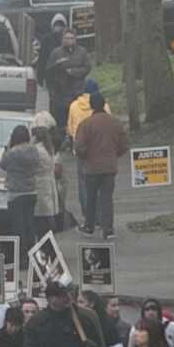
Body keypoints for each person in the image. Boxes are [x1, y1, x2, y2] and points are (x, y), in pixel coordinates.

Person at [72, 91, 127, 239]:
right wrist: (114, 155)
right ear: (104, 104)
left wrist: (85, 157)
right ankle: (108, 230)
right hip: (110, 167)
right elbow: (124, 145)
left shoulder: (86, 124)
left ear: (91, 105)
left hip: (92, 167)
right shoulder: (115, 123)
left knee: (91, 197)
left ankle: (89, 227)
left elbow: (79, 147)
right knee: (107, 198)